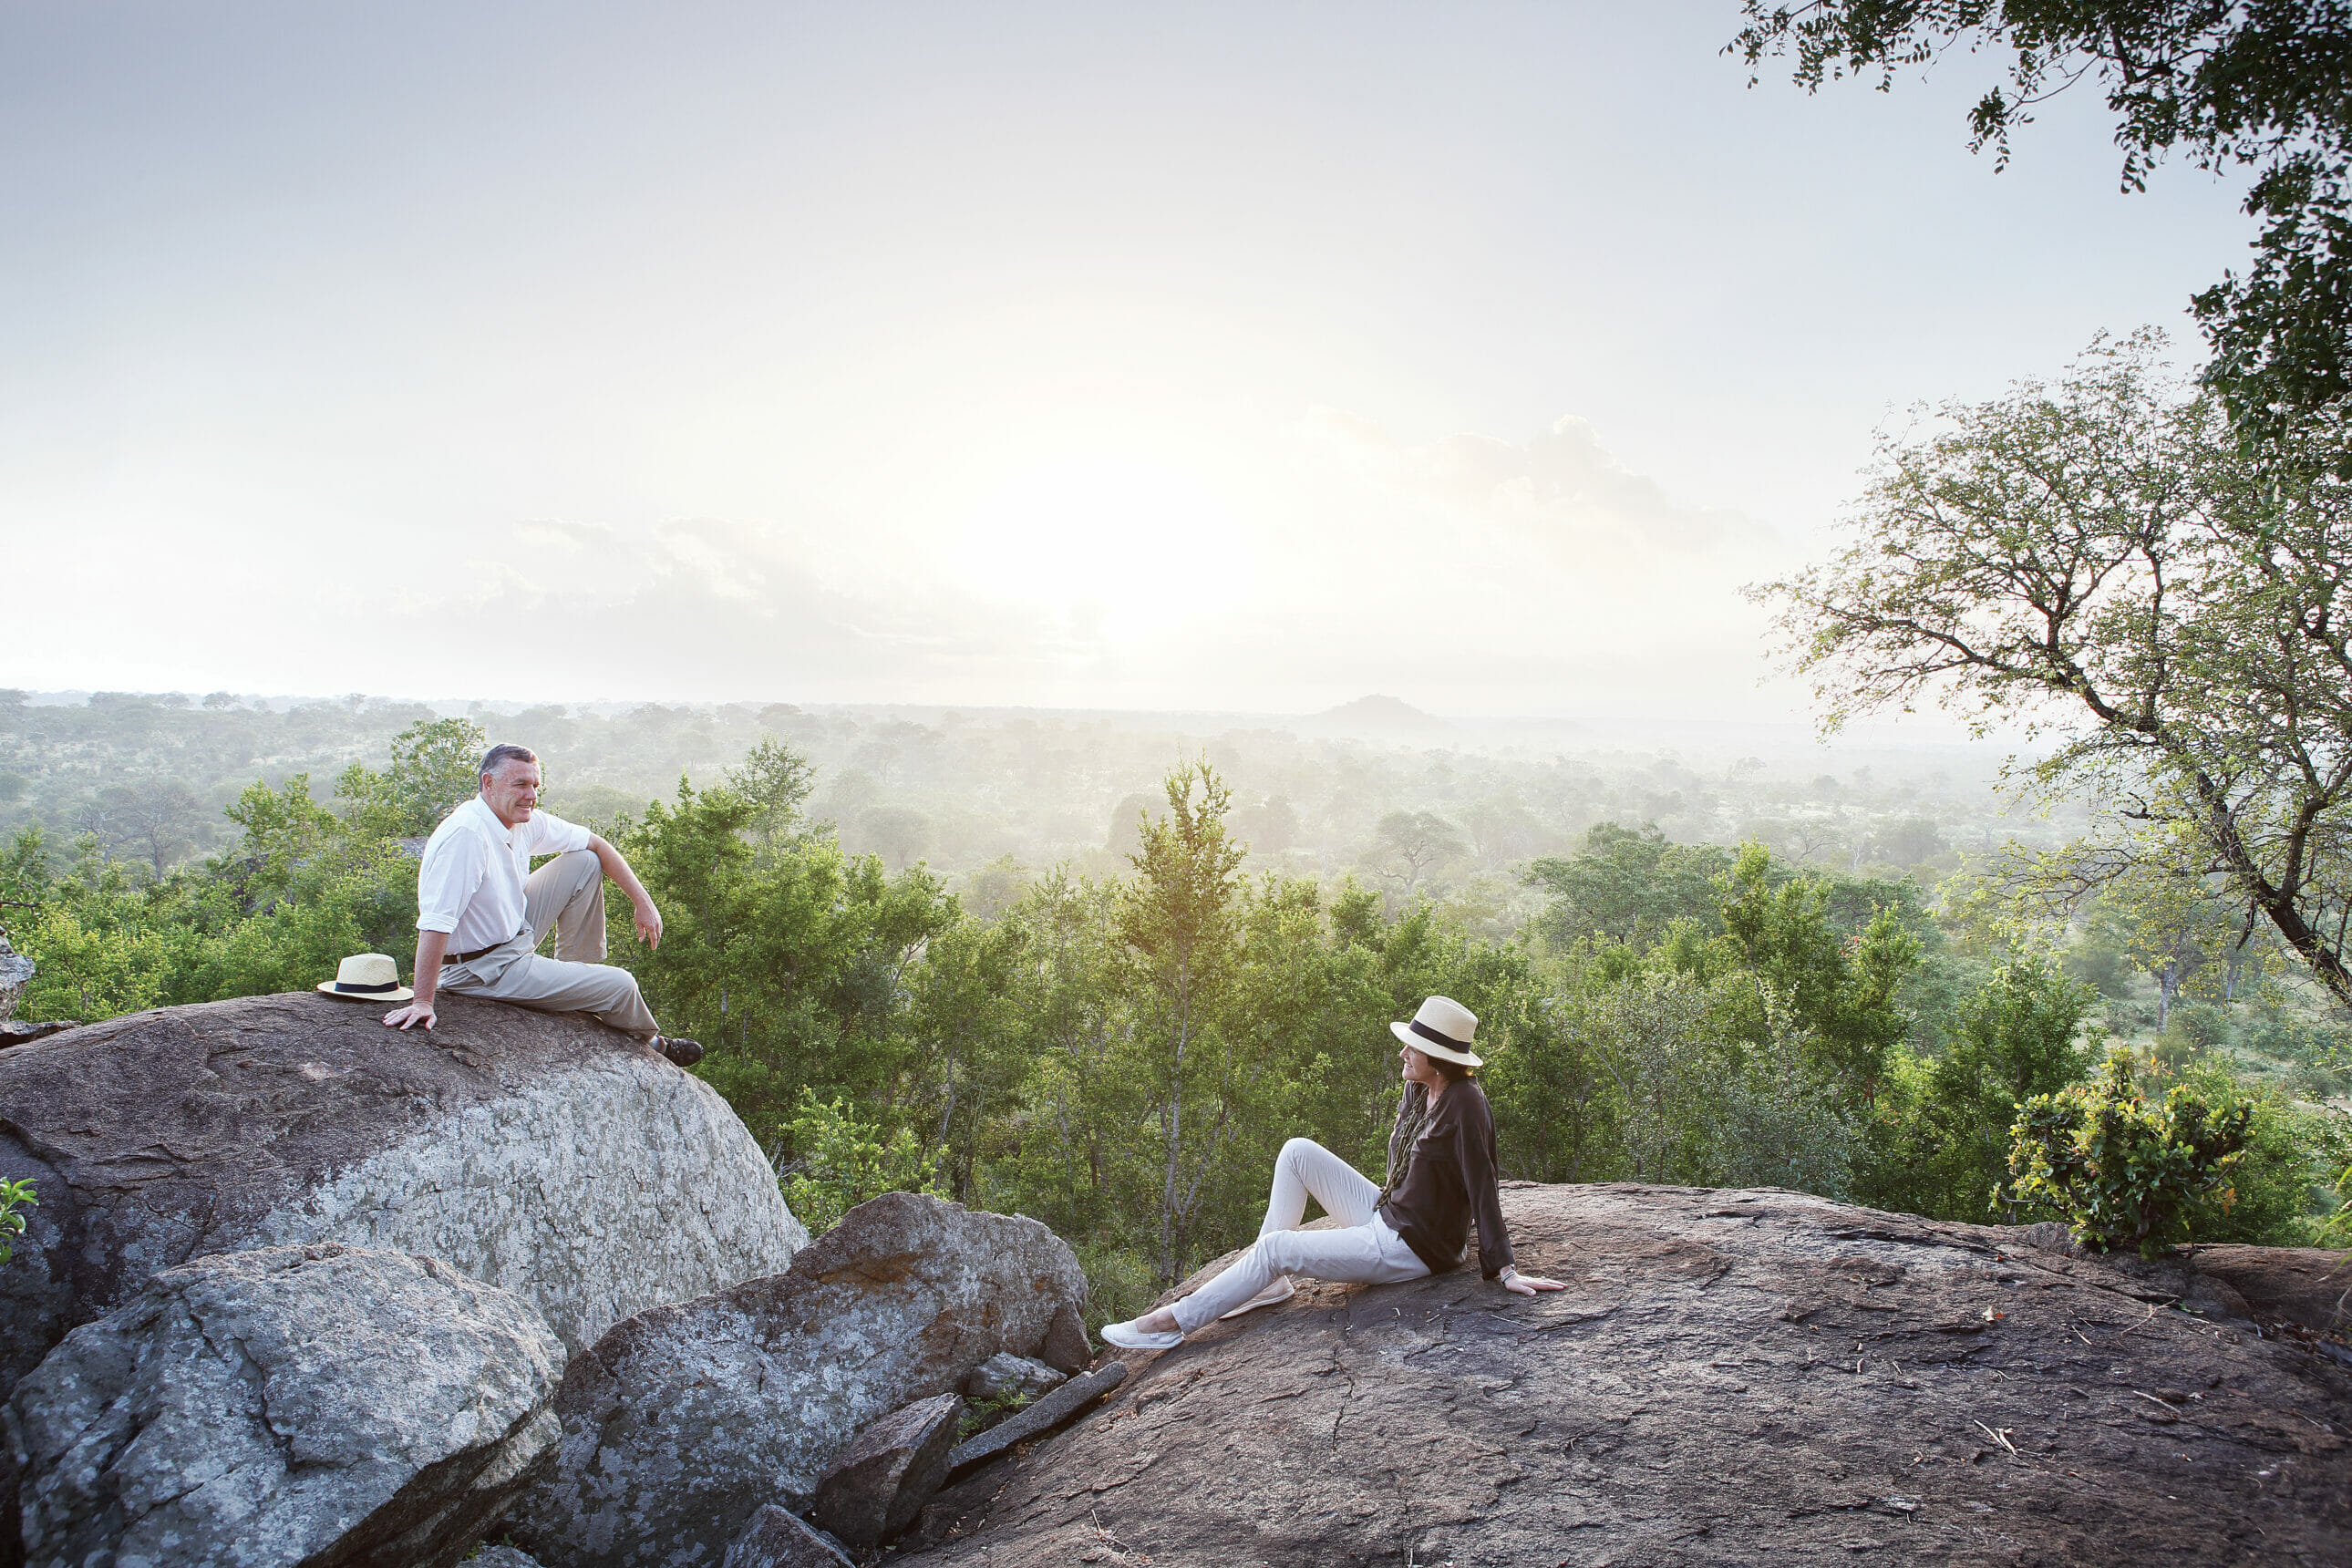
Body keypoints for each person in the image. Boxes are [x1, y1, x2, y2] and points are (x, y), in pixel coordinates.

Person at [1099, 995, 1563, 1350]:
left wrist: (1503, 1269)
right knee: (1296, 1151)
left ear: (1438, 1059)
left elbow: (1483, 1184)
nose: (1403, 1053)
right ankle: (1272, 1284)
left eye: (1413, 1048)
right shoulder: (1421, 1090)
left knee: (1278, 1247)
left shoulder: (1466, 1104)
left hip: (1412, 1248)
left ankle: (1172, 1323)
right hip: (1389, 1214)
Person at [382, 742, 702, 1067]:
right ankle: (653, 1042)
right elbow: (436, 922)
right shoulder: (467, 835)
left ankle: (576, 974)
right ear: (488, 784)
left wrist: (643, 902)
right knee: (621, 985)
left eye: (535, 785)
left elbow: (596, 843)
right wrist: (422, 1001)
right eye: (520, 784)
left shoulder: (520, 819)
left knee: (584, 861)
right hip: (480, 968)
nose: (531, 794)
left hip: (511, 932)